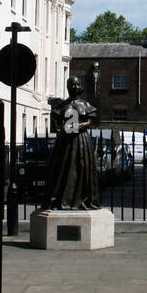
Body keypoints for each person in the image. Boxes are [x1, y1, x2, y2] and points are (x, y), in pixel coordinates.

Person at [43, 76, 100, 210]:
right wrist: (62, 128)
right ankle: (61, 198)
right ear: (67, 87)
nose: (74, 87)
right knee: (63, 167)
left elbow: (90, 121)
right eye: (71, 85)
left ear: (80, 87)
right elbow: (58, 123)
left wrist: (82, 125)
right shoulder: (61, 106)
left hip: (81, 141)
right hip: (65, 141)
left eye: (76, 85)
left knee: (82, 167)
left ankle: (82, 198)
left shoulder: (85, 105)